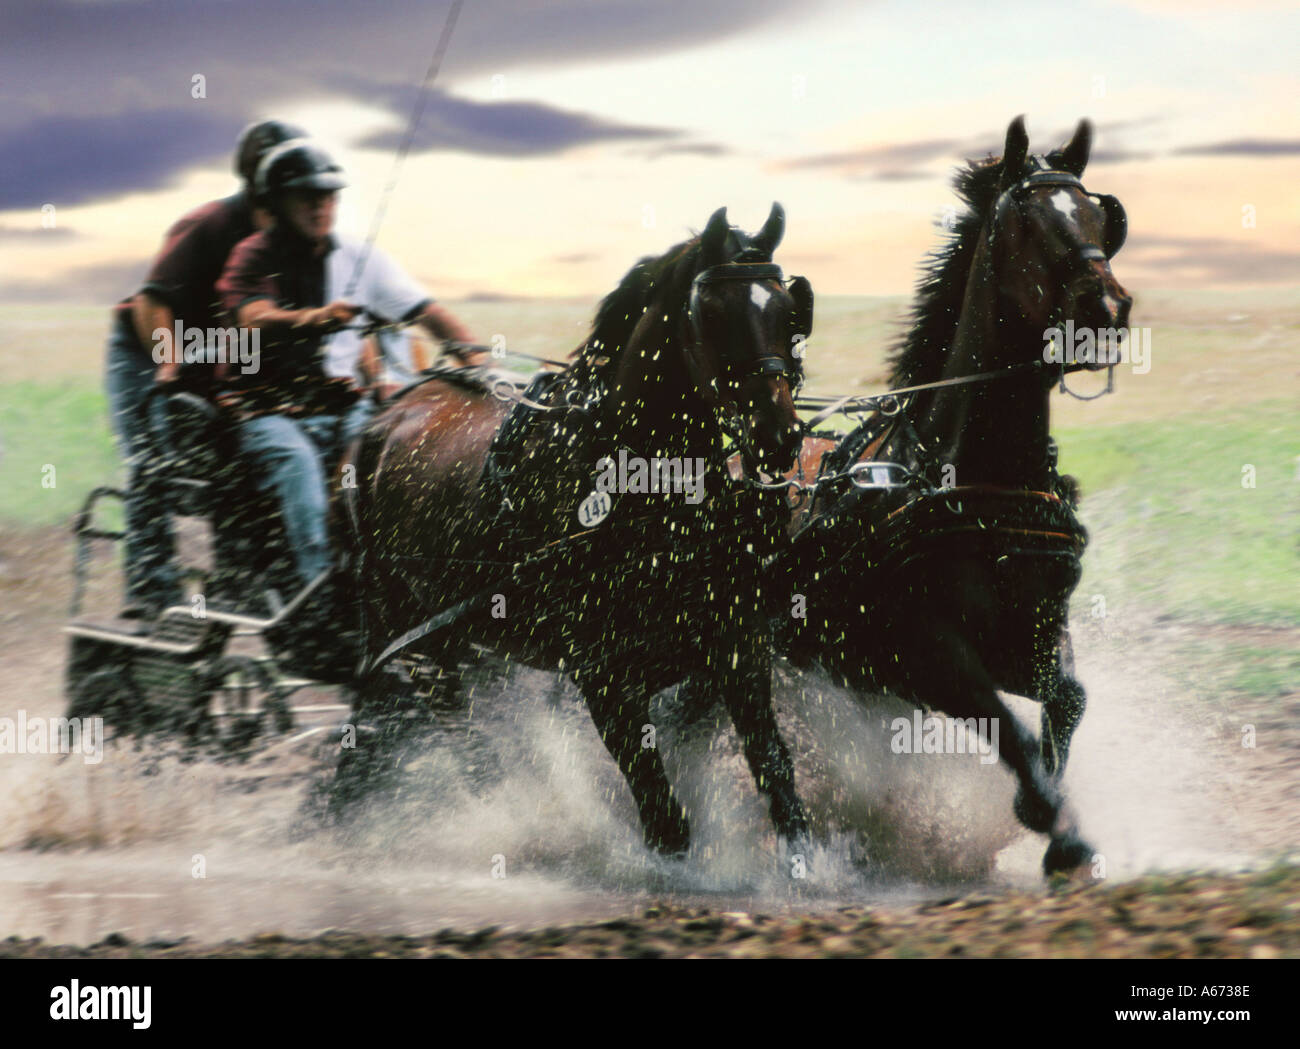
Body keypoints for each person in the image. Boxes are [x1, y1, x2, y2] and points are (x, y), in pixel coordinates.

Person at [215, 138, 484, 592]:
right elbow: (252, 318)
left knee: (404, 457)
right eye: (307, 196)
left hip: (342, 407)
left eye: (328, 196)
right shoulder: (253, 256)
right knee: (301, 471)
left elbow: (428, 312)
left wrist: (476, 358)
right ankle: (322, 599)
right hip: (267, 414)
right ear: (276, 203)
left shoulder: (362, 258)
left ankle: (408, 586)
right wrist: (314, 319)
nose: (321, 207)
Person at [103, 119, 307, 621]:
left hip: (223, 356)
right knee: (159, 460)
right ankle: (150, 597)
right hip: (147, 350)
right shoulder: (210, 224)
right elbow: (153, 303)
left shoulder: (295, 240)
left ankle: (240, 580)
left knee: (242, 457)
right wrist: (170, 368)